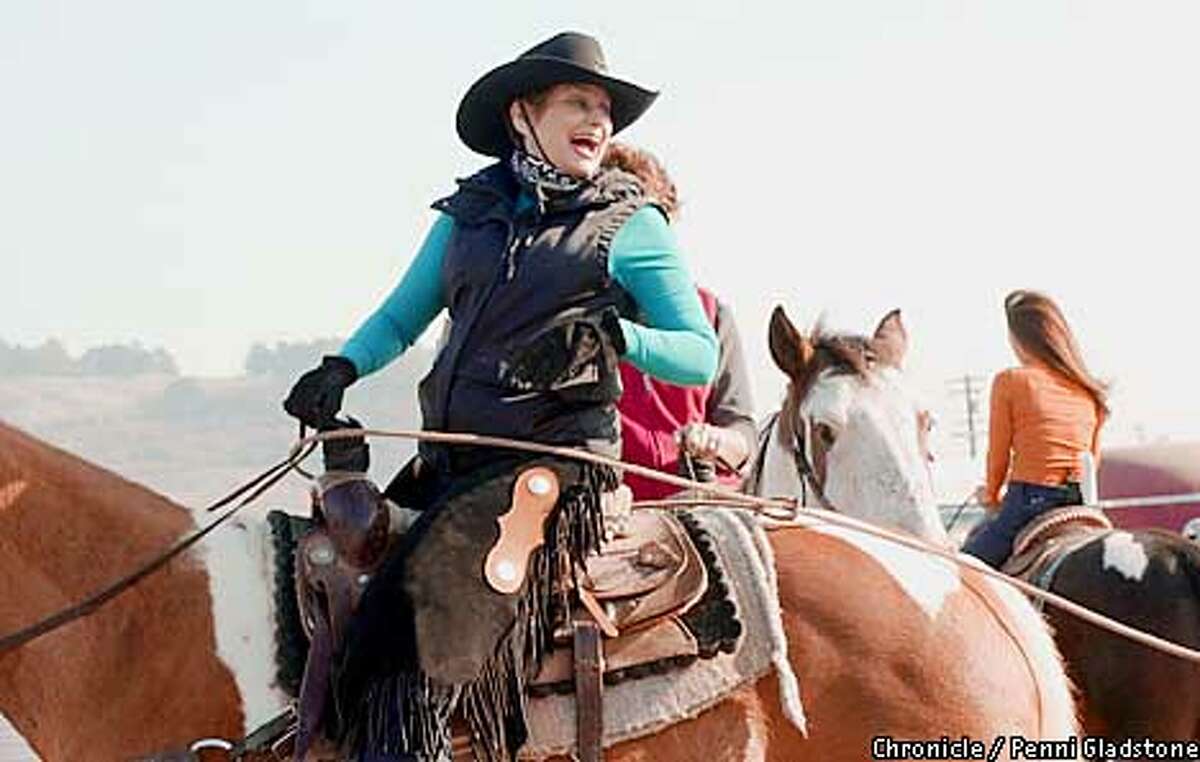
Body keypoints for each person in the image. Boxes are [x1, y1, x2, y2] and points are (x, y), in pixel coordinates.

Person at [282, 32, 717, 761]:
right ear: (523, 115)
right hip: (453, 467)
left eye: (605, 109)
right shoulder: (470, 213)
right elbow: (400, 316)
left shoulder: (629, 222)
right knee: (349, 581)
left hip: (555, 469)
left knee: (417, 623)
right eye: (578, 103)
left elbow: (697, 355)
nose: (598, 123)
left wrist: (614, 336)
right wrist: (342, 366)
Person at [600, 142, 756, 499]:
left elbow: (742, 430)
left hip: (702, 503)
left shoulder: (712, 315)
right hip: (603, 509)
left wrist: (718, 442)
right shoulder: (560, 313)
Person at [962, 290, 1109, 568]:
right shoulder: (1089, 391)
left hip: (1030, 501)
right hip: (1081, 504)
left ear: (1019, 338)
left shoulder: (1011, 381)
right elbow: (1093, 460)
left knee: (962, 572)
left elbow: (998, 455)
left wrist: (992, 496)